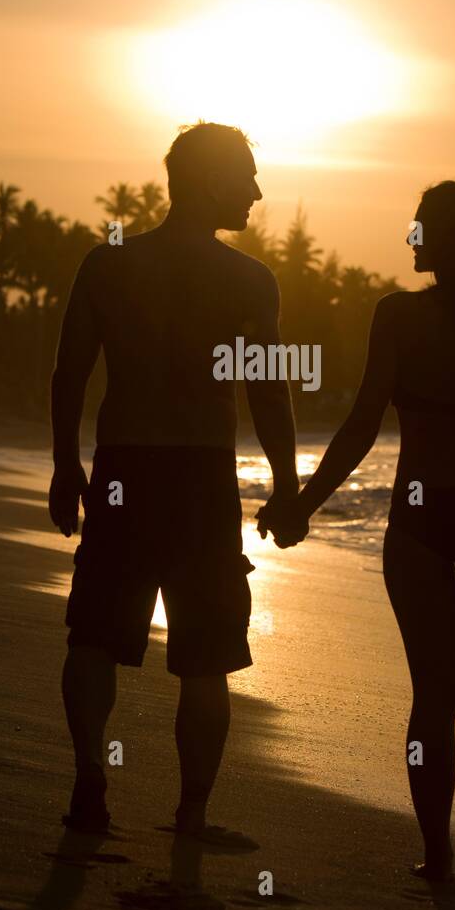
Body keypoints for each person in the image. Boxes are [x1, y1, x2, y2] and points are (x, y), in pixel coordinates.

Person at [259, 179, 455, 901]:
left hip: (423, 518)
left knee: (435, 696)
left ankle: (437, 856)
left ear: (451, 236)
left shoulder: (397, 317)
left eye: (420, 226)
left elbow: (363, 425)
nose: (410, 237)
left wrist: (303, 504)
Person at [49, 122, 300, 839]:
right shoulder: (248, 281)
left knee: (93, 635)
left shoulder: (109, 264)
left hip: (124, 471)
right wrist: (285, 486)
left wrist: (68, 464)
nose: (256, 191)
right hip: (199, 481)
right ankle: (191, 813)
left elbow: (71, 374)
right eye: (246, 176)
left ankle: (90, 775)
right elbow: (268, 392)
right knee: (206, 657)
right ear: (212, 182)